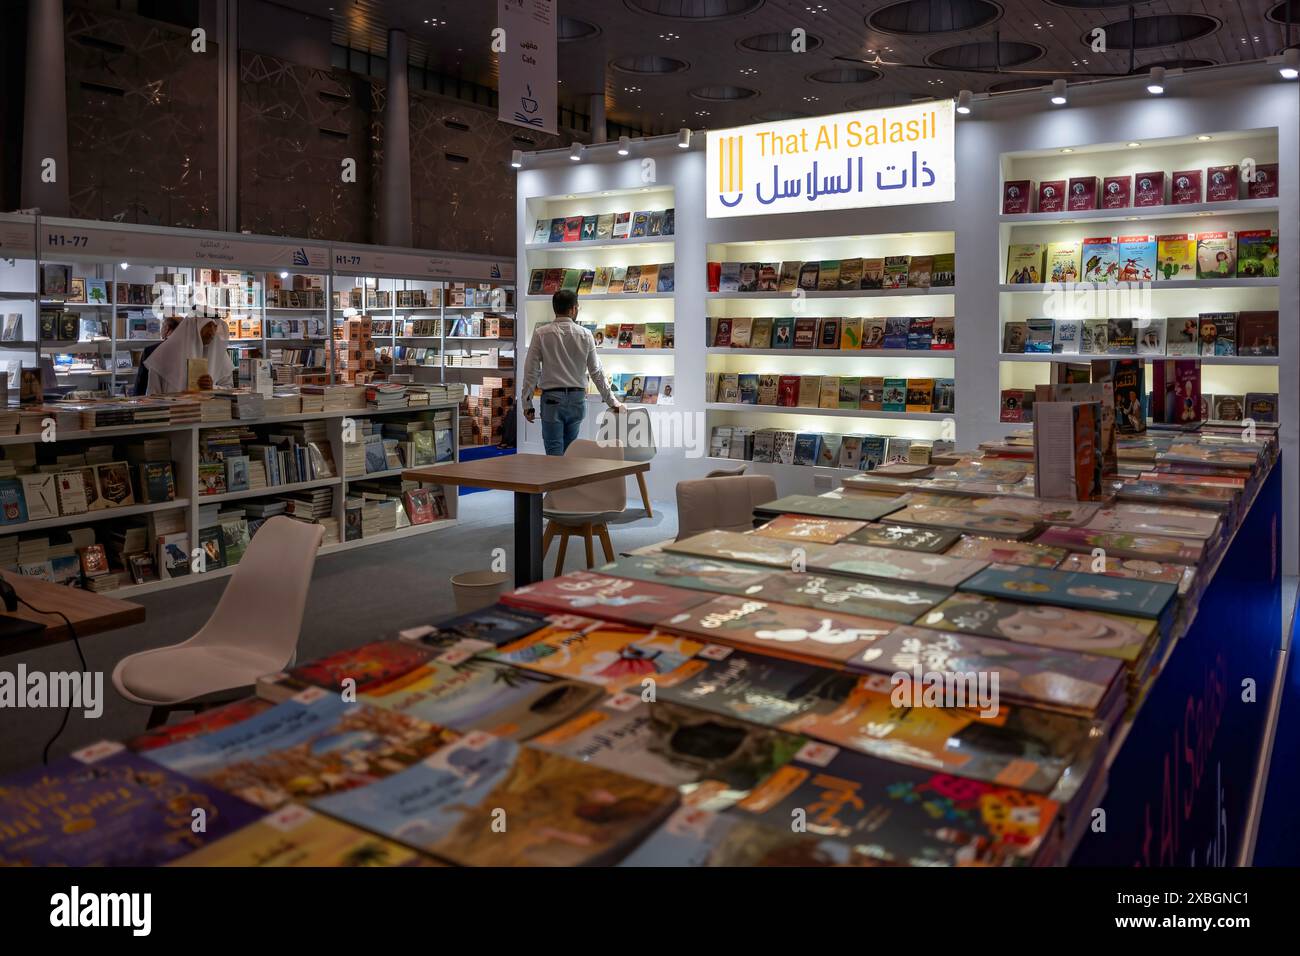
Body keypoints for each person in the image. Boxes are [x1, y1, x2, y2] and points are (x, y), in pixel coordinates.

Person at [521, 289, 623, 455]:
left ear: (555, 308)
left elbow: (531, 370)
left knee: (553, 454)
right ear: (573, 309)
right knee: (570, 453)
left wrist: (527, 403)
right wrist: (612, 402)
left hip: (552, 400)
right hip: (577, 399)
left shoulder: (541, 334)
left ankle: (556, 480)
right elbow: (596, 372)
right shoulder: (586, 335)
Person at [143, 314, 234, 395]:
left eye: (215, 327)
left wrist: (212, 387)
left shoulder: (220, 355)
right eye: (208, 326)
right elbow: (152, 394)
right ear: (195, 326)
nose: (212, 332)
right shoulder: (165, 353)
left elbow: (229, 388)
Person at [134, 315, 181, 396]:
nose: (161, 330)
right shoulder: (186, 348)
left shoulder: (151, 350)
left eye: (162, 326)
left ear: (167, 328)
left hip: (156, 397)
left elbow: (142, 381)